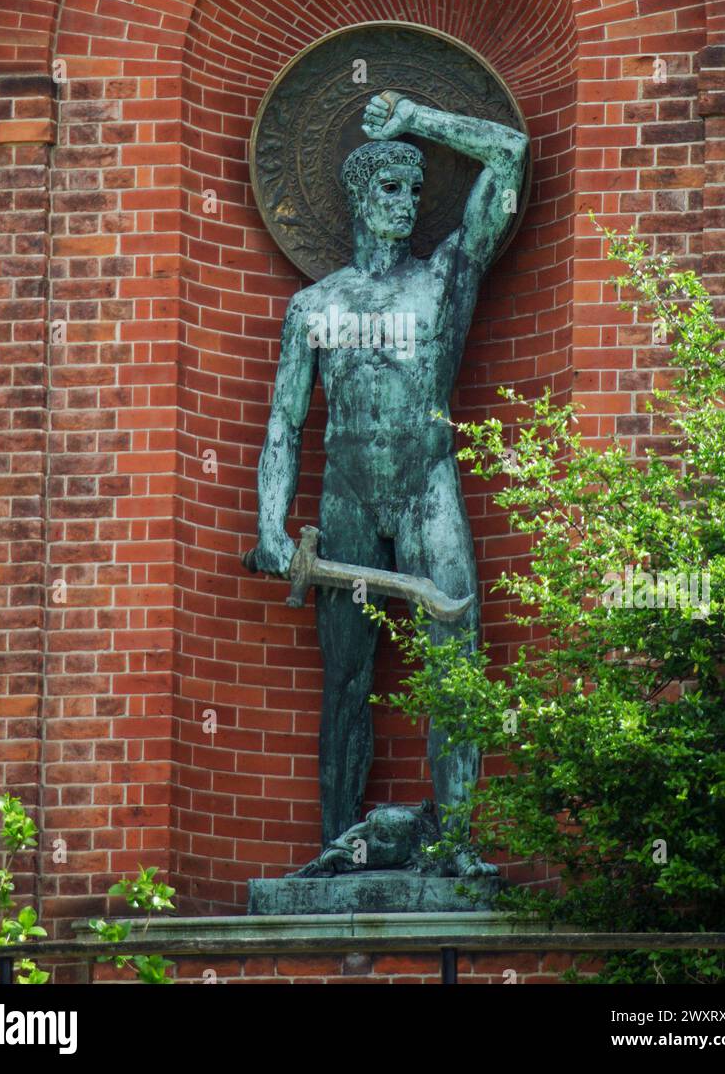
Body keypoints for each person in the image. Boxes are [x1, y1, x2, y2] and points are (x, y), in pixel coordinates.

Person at [251, 92, 528, 872]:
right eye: (390, 187)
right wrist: (271, 527)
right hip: (344, 497)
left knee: (455, 660)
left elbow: (508, 152)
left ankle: (455, 848)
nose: (406, 202)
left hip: (425, 481)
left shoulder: (445, 277)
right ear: (358, 196)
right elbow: (284, 425)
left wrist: (414, 118)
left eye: (415, 188)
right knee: (343, 679)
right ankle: (334, 852)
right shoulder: (315, 305)